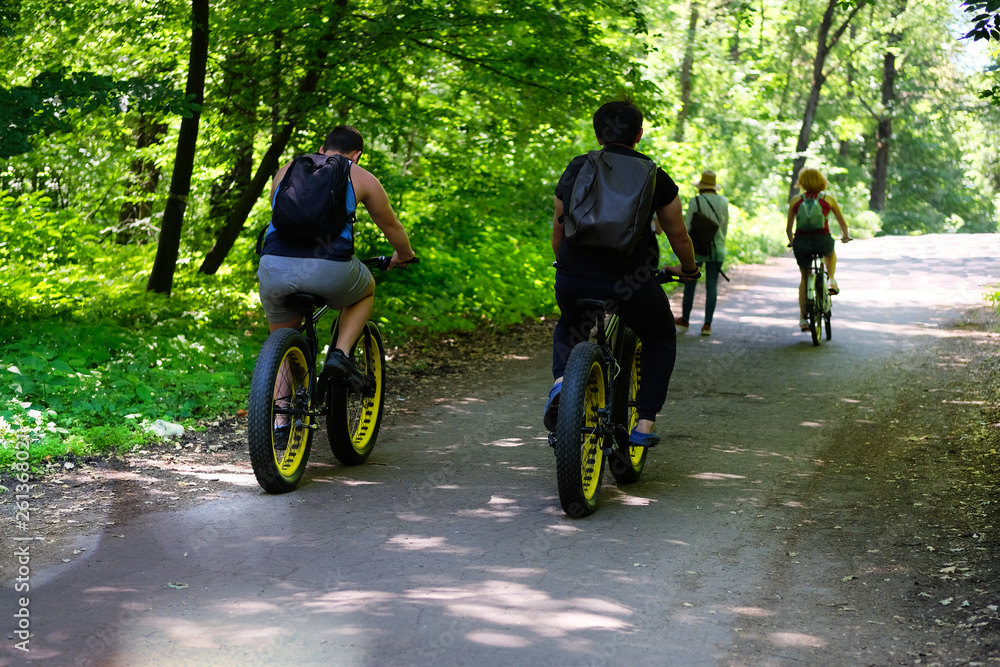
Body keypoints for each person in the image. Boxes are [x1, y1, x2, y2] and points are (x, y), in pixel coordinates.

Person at [544, 98, 699, 447]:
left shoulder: (576, 168)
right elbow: (678, 235)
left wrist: (566, 264)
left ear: (598, 135)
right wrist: (688, 270)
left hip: (573, 275)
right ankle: (643, 426)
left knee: (570, 324)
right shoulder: (655, 177)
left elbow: (558, 230)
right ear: (639, 135)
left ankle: (560, 384)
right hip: (631, 283)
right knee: (659, 336)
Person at [257, 125, 416, 384]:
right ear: (356, 155)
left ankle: (280, 420)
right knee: (366, 289)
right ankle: (340, 354)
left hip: (274, 266)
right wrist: (404, 254)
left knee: (283, 355)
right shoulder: (361, 176)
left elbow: (278, 212)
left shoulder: (288, 169)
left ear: (322, 149)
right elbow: (391, 226)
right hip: (328, 269)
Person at [786, 167, 851, 332]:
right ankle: (831, 280)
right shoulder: (828, 199)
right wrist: (845, 236)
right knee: (830, 253)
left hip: (802, 243)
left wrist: (792, 241)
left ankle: (803, 318)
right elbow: (843, 223)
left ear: (802, 183)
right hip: (822, 240)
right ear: (821, 181)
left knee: (804, 277)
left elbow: (788, 229)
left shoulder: (796, 200)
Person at [674, 169, 730, 336]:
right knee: (712, 286)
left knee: (690, 283)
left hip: (696, 250)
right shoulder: (724, 202)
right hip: (717, 249)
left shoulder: (694, 201)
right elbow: (724, 227)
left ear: (701, 186)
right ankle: (707, 325)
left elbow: (688, 227)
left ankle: (685, 320)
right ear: (714, 186)